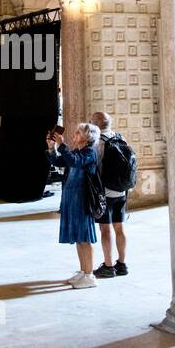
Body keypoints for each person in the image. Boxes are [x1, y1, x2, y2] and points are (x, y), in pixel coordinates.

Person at [46, 122, 102, 288]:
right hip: (72, 198)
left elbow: (76, 162)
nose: (74, 135)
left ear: (87, 136)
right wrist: (51, 148)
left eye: (78, 133)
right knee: (79, 238)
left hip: (83, 200)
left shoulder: (90, 152)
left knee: (85, 237)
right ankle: (83, 271)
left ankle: (90, 275)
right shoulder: (78, 151)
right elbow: (59, 161)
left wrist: (62, 145)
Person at [91, 111, 135, 279]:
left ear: (95, 124)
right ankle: (122, 264)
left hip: (105, 192)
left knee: (105, 229)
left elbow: (95, 167)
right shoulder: (121, 138)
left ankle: (108, 266)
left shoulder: (98, 143)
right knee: (119, 227)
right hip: (122, 191)